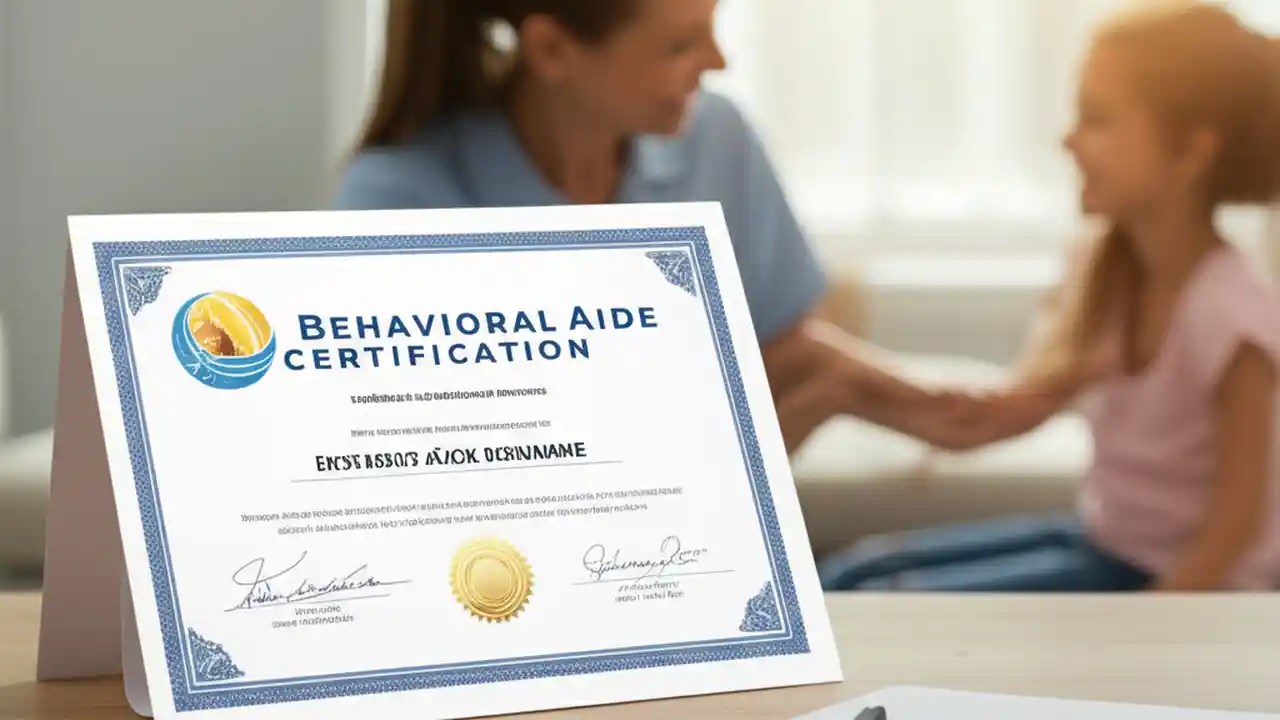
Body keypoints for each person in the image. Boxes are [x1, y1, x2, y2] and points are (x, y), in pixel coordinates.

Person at [335, 0, 947, 451]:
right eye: (680, 46)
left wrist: (951, 409)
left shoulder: (718, 140)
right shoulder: (398, 201)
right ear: (552, 51)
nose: (718, 61)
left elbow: (782, 359)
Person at [820, 3, 1280, 592]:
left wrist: (1146, 633)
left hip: (1167, 580)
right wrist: (846, 388)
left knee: (877, 600)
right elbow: (1015, 405)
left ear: (1191, 152)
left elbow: (1235, 531)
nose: (1067, 138)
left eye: (1097, 118)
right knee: (848, 572)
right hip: (1103, 540)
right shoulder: (1105, 268)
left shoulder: (1233, 315)